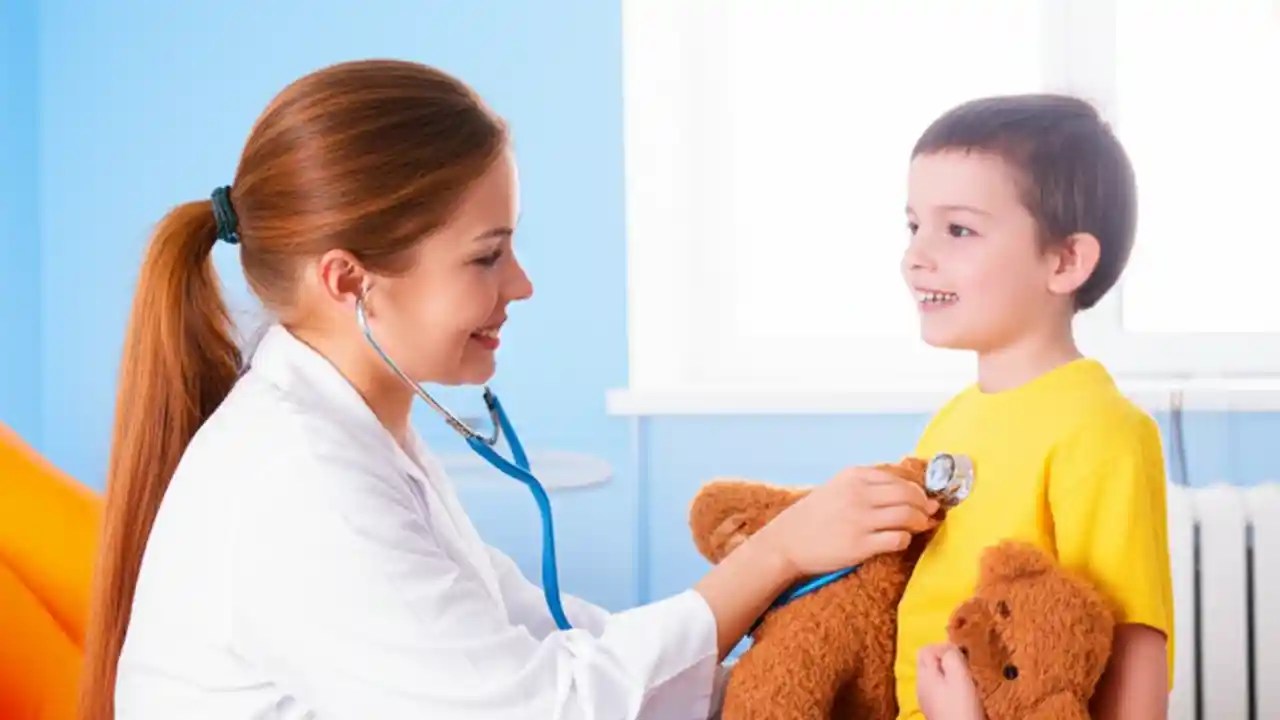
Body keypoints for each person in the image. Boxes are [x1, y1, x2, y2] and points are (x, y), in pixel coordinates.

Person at [76, 59, 940, 720]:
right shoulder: (298, 482)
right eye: (486, 256)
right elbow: (540, 707)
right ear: (349, 281)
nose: (520, 284)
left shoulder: (359, 440)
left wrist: (766, 653)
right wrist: (776, 553)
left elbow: (554, 644)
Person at [895, 94, 1175, 720]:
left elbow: (1133, 651)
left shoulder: (1102, 430)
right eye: (914, 226)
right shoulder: (954, 419)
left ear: (1066, 260)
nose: (917, 255)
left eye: (959, 229)